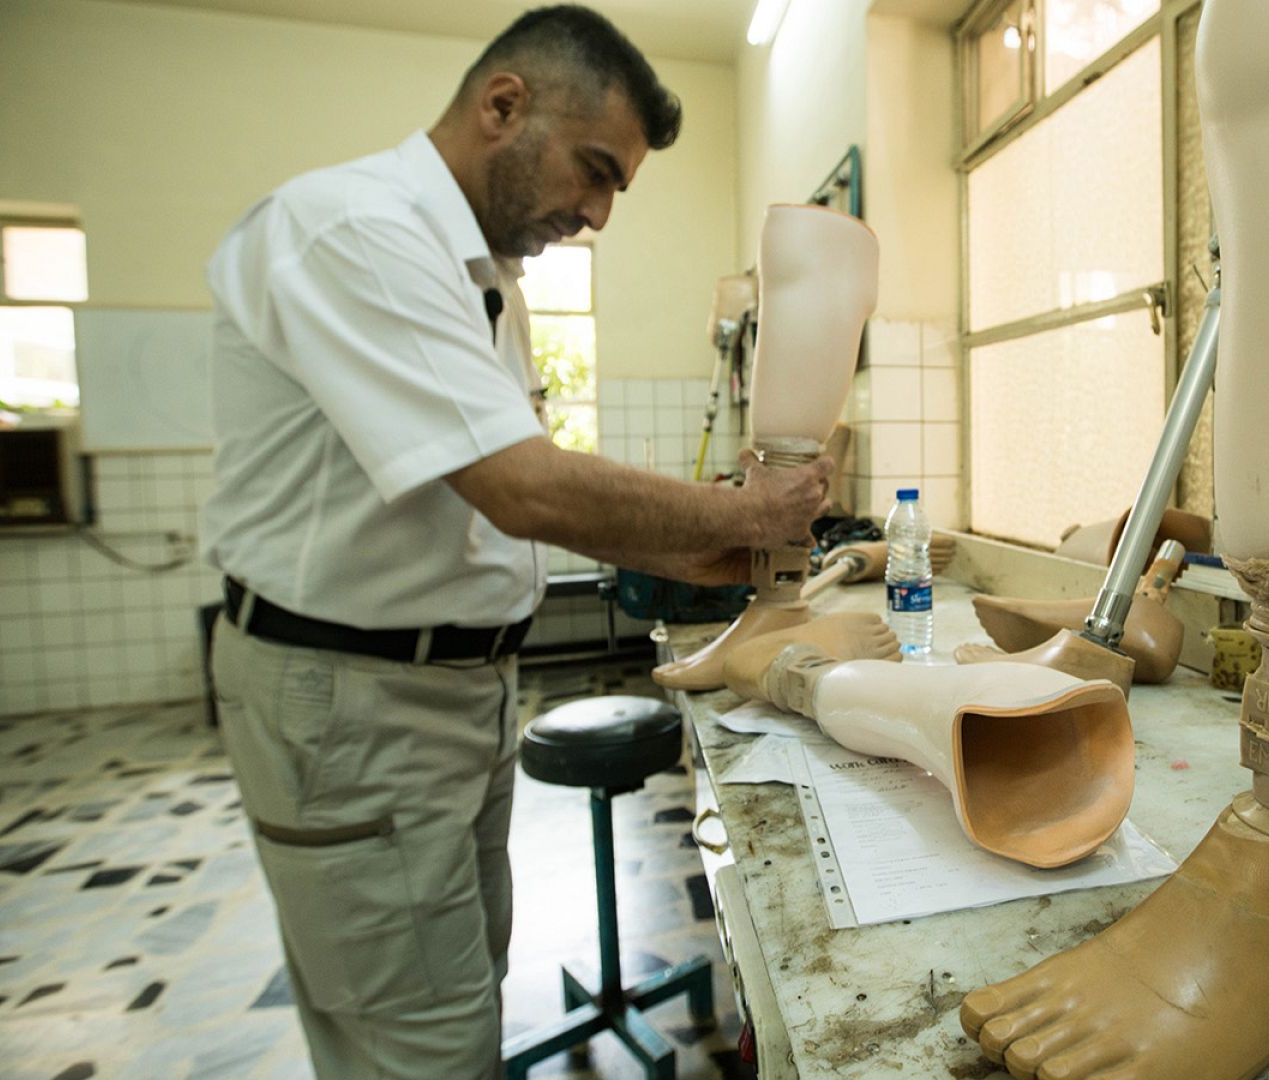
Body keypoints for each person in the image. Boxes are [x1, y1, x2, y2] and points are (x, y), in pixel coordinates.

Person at [199, 7, 831, 1076]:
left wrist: (708, 555)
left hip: (447, 692)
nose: (593, 215)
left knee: (447, 988)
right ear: (504, 104)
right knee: (423, 1040)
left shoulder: (481, 277)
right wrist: (746, 518)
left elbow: (491, 499)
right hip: (354, 699)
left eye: (614, 190)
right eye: (593, 172)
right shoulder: (354, 231)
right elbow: (519, 486)